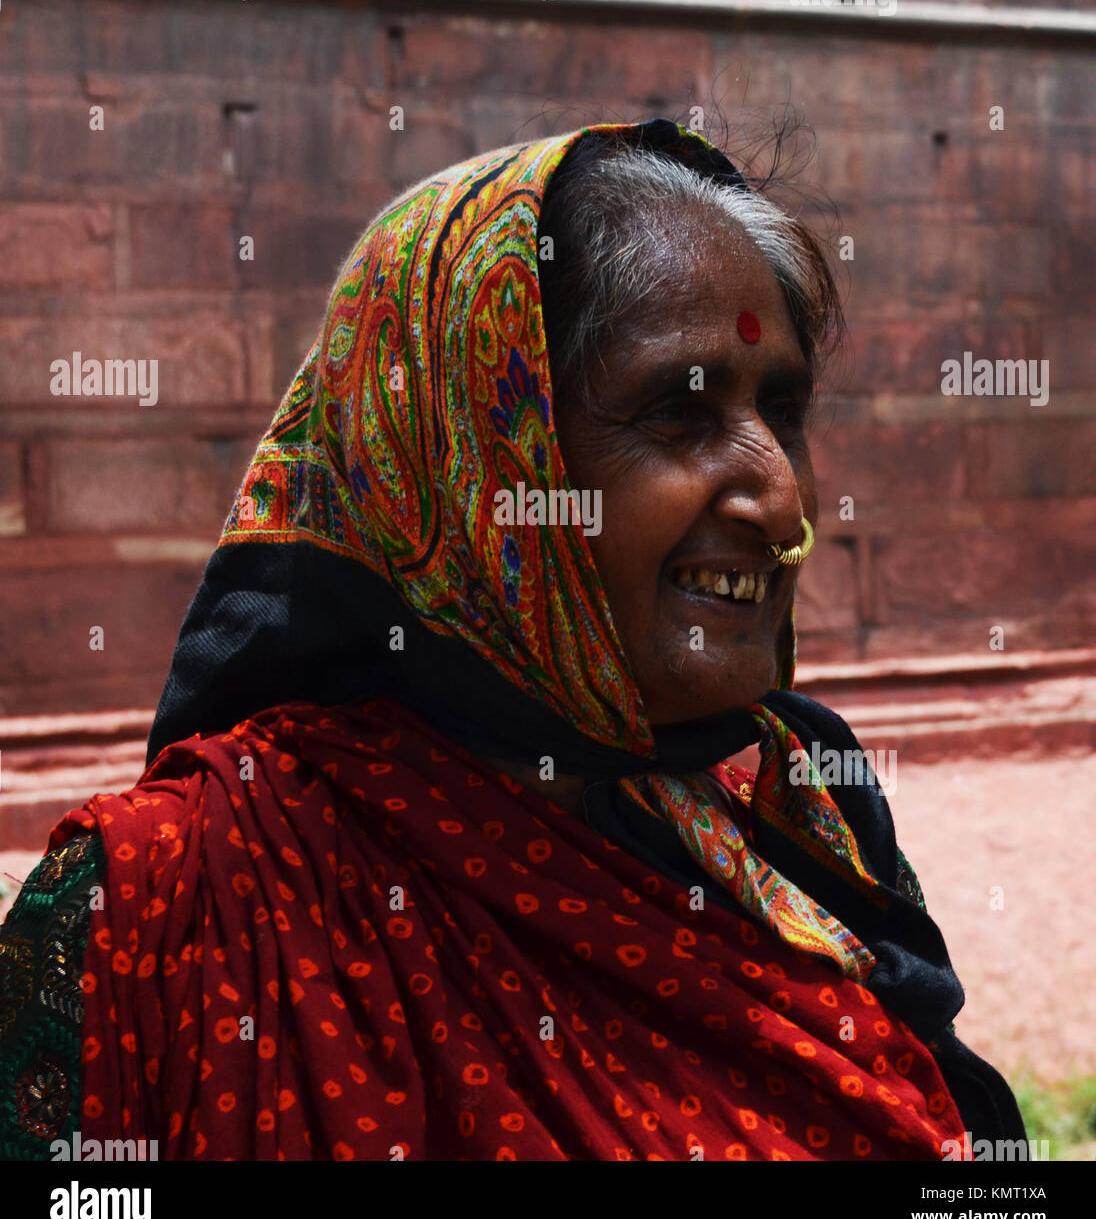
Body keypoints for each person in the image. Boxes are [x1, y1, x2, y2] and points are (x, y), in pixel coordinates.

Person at [0, 117, 1023, 1161]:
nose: (781, 495)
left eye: (785, 408)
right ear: (477, 459)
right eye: (680, 412)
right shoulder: (166, 901)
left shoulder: (798, 804)